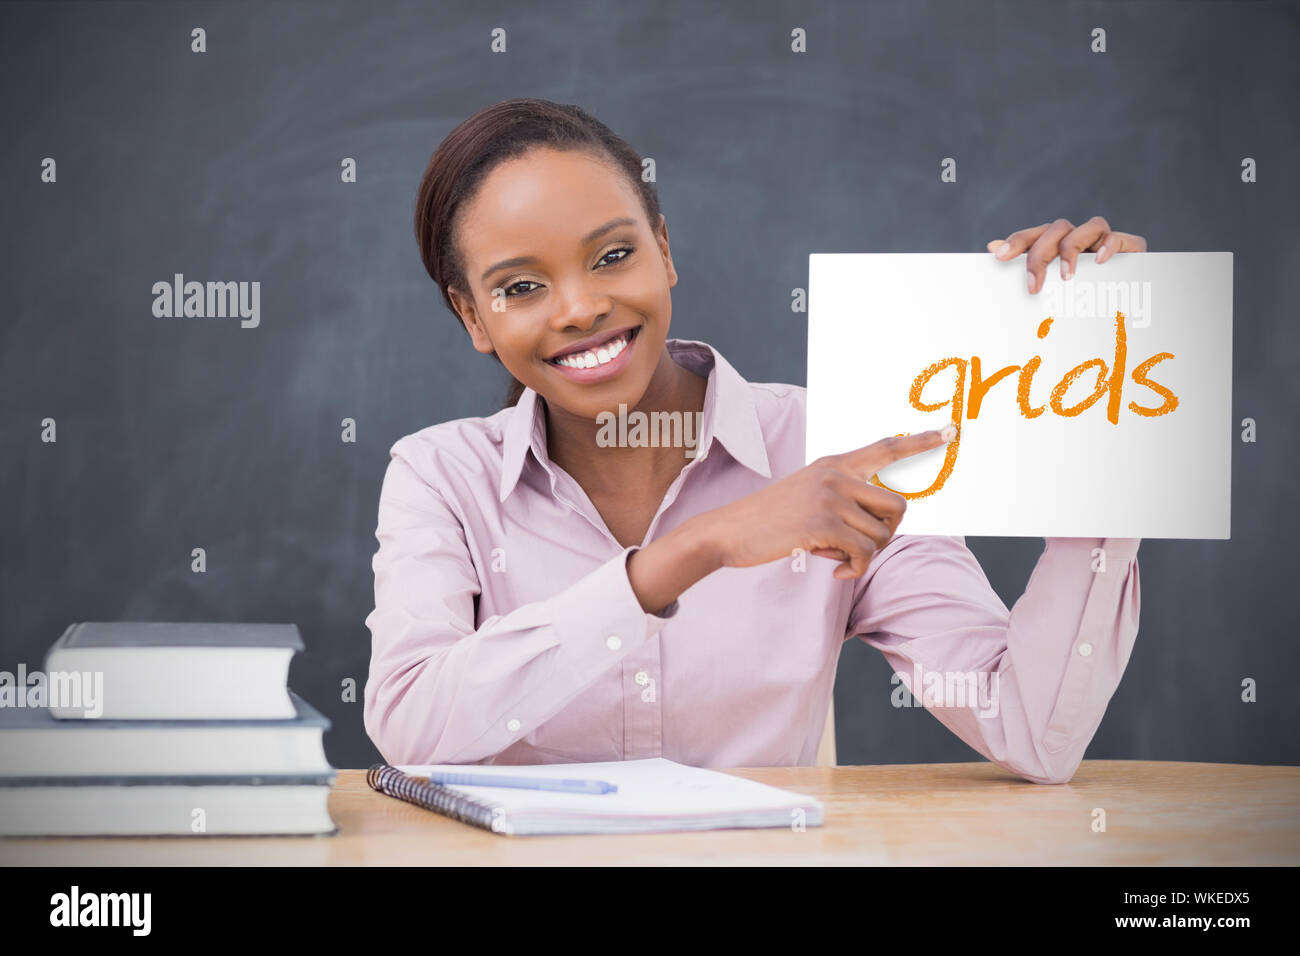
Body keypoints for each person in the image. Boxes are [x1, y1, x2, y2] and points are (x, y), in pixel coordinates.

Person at [363, 97, 1146, 782]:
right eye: (521, 287)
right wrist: (696, 549)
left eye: (613, 255)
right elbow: (411, 725)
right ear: (473, 317)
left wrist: (1088, 423)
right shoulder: (440, 476)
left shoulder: (839, 449)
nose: (578, 308)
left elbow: (1033, 730)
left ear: (664, 251)